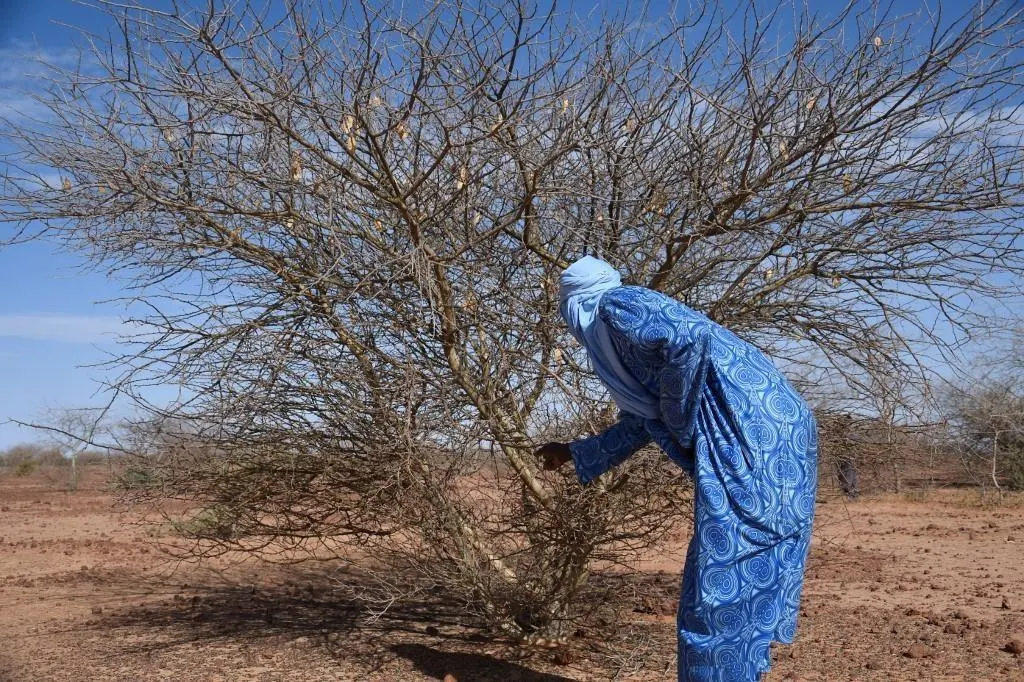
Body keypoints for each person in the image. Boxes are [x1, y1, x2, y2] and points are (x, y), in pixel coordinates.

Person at [536, 256, 818, 682]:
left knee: (718, 588)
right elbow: (644, 419)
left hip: (748, 434)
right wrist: (578, 452)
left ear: (575, 302)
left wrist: (680, 416)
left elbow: (688, 340)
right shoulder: (623, 340)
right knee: (742, 572)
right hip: (772, 431)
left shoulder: (615, 303)